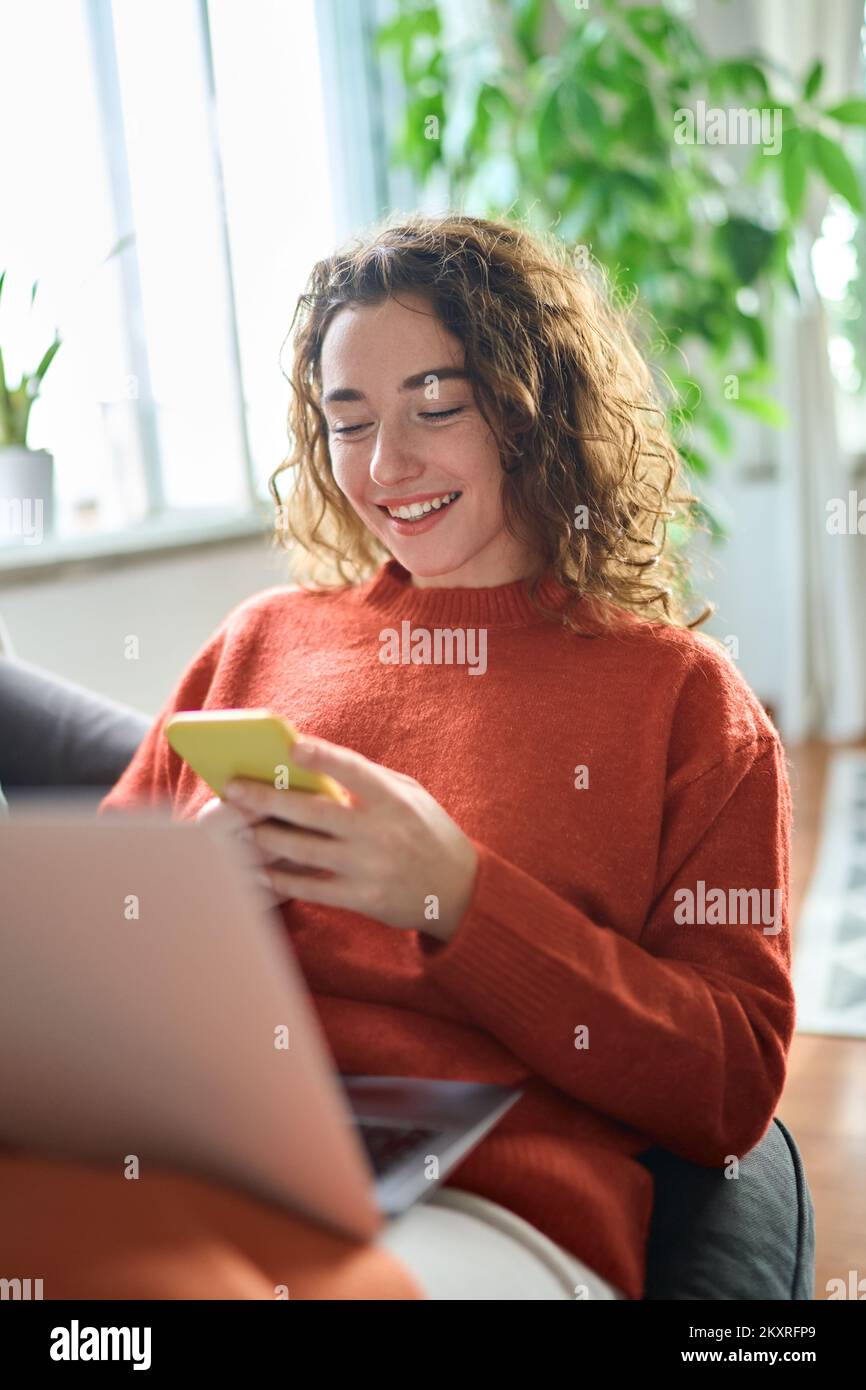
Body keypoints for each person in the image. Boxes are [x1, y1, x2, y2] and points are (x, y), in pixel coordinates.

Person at [12, 213, 796, 1301]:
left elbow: (729, 1087)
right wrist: (183, 899)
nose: (385, 465)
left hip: (477, 1205)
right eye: (347, 422)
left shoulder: (679, 701)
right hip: (207, 1154)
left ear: (532, 406)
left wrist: (459, 898)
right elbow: (65, 986)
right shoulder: (260, 641)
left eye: (435, 405)